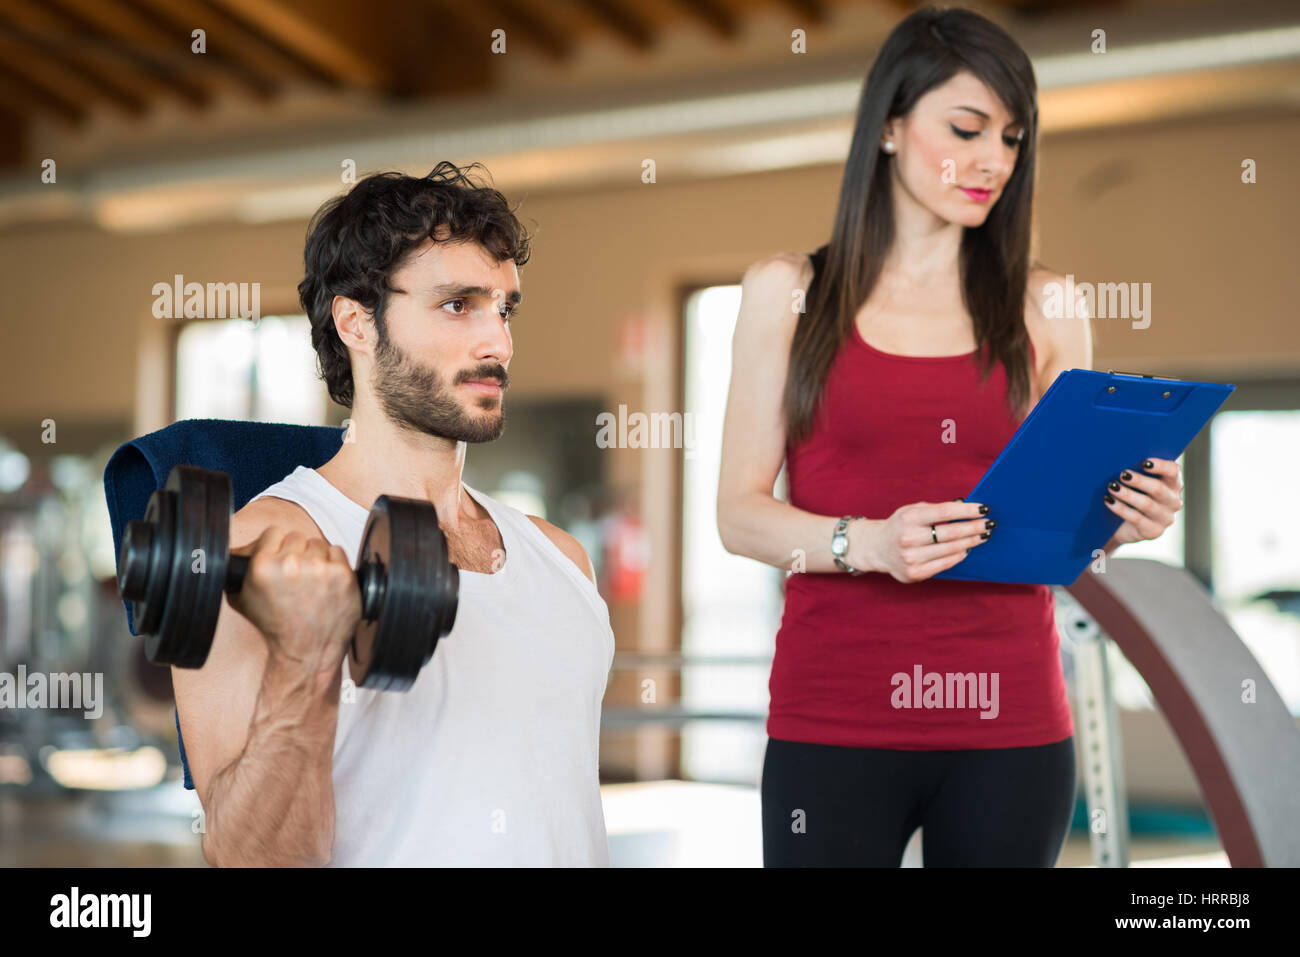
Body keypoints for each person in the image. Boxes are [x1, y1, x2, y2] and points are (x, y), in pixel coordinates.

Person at [716, 7, 1183, 867]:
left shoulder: (1051, 306)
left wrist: (1123, 515)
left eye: (1011, 138)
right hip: (834, 719)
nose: (993, 162)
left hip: (1011, 727)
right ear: (890, 126)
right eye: (965, 129)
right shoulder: (786, 290)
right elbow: (740, 517)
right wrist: (872, 542)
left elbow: (1060, 529)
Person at [172, 163, 615, 866]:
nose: (497, 343)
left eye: (504, 309)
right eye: (457, 305)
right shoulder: (260, 551)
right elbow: (255, 858)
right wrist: (305, 656)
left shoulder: (562, 560)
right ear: (356, 321)